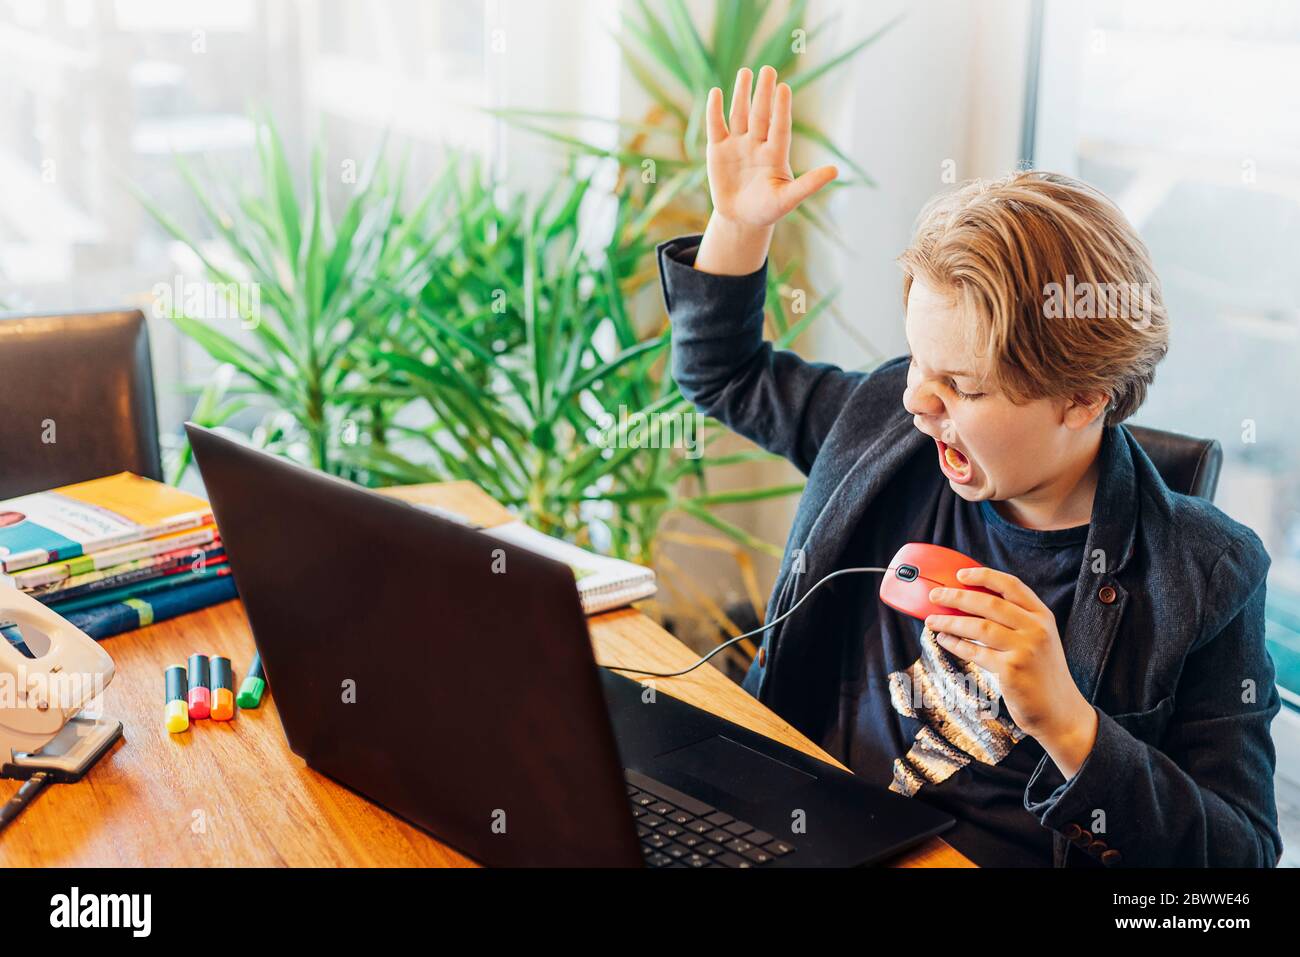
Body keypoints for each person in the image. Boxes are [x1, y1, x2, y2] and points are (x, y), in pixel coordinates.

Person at [656, 65, 1281, 867]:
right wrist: (739, 226)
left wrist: (1068, 722)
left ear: (1083, 400)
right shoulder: (887, 425)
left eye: (963, 385)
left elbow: (1238, 867)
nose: (918, 399)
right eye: (919, 358)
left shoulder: (1208, 573)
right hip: (800, 827)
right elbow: (726, 375)